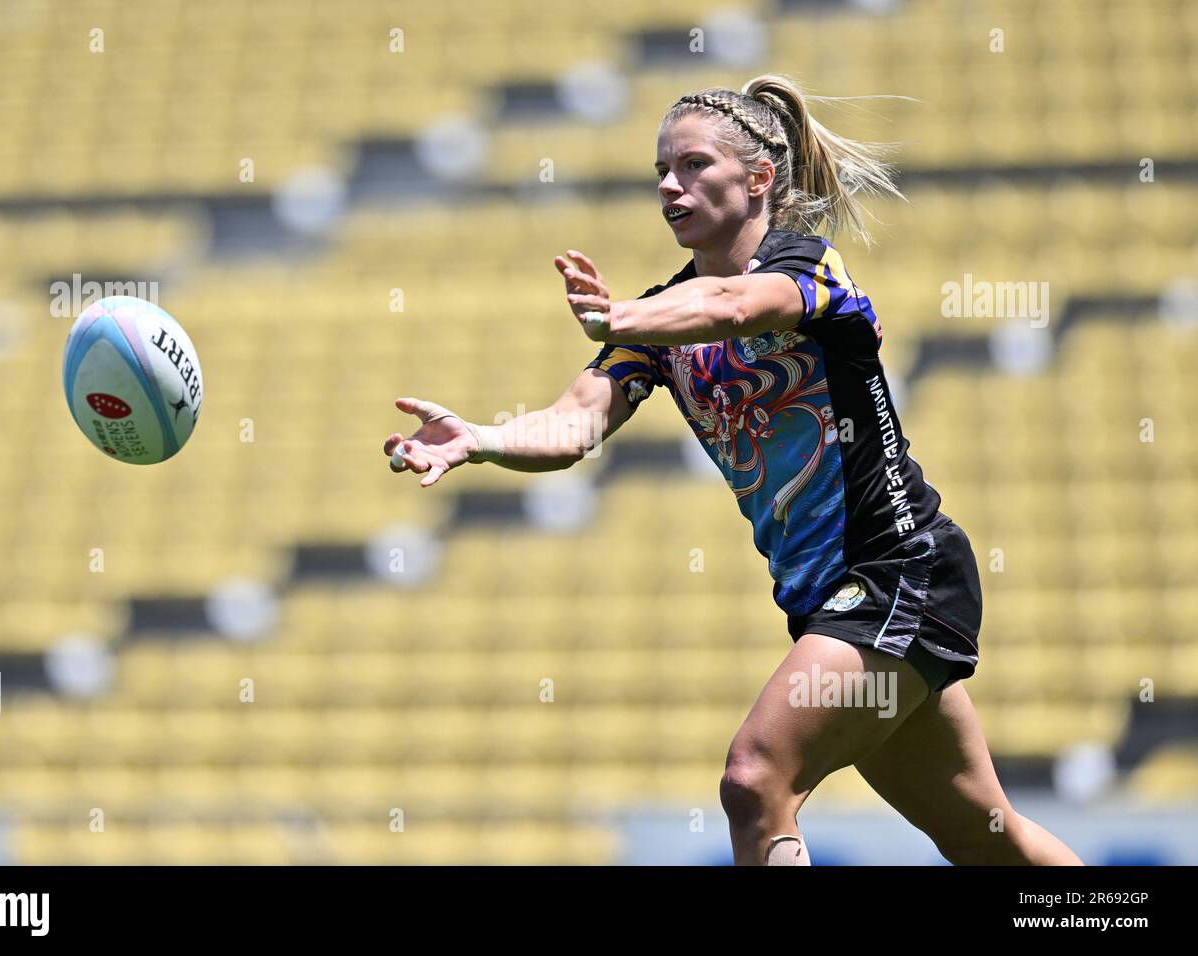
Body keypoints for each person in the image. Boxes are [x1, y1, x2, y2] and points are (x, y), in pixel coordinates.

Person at [383, 74, 1082, 866]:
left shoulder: (812, 273)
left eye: (691, 166)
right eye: (659, 171)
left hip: (899, 574)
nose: (667, 186)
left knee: (755, 778)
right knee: (984, 837)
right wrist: (476, 438)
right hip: (834, 606)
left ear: (757, 179)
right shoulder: (656, 323)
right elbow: (575, 423)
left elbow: (734, 307)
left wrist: (621, 317)